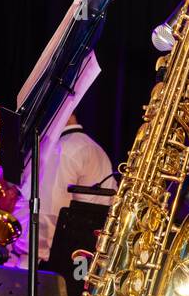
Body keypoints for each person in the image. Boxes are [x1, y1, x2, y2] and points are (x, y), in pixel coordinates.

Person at [7, 113, 116, 268]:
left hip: (40, 265)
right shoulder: (91, 147)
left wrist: (19, 262)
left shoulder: (63, 149)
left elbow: (45, 219)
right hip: (77, 260)